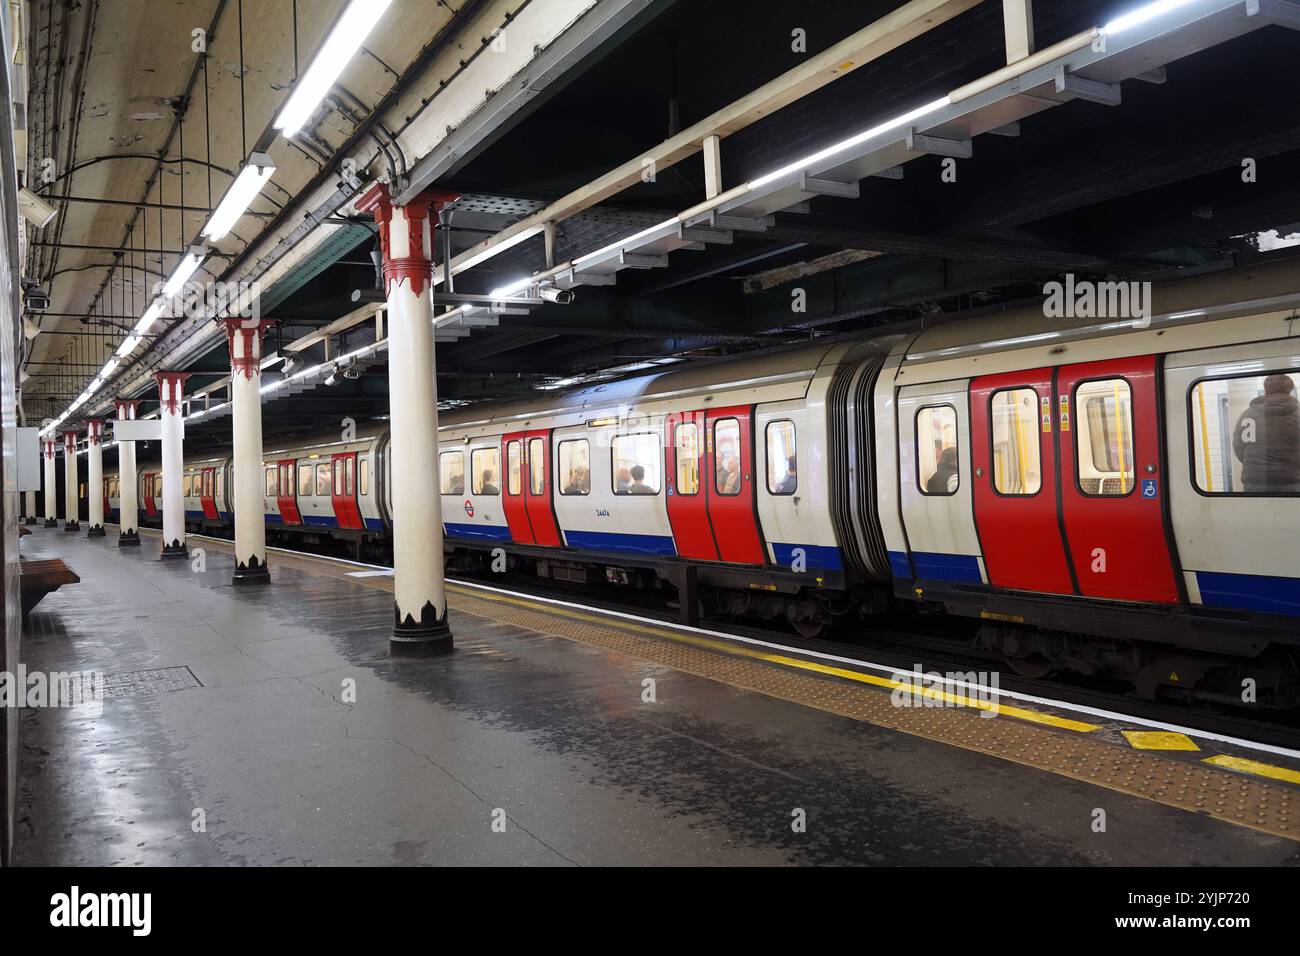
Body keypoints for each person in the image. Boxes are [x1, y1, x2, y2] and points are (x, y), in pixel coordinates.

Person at [1233, 373, 1300, 493]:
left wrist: (1256, 464)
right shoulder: (1298, 415)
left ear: (1265, 389)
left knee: (1257, 512)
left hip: (1255, 481)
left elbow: (1239, 447)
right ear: (1289, 390)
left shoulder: (1248, 415)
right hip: (1292, 481)